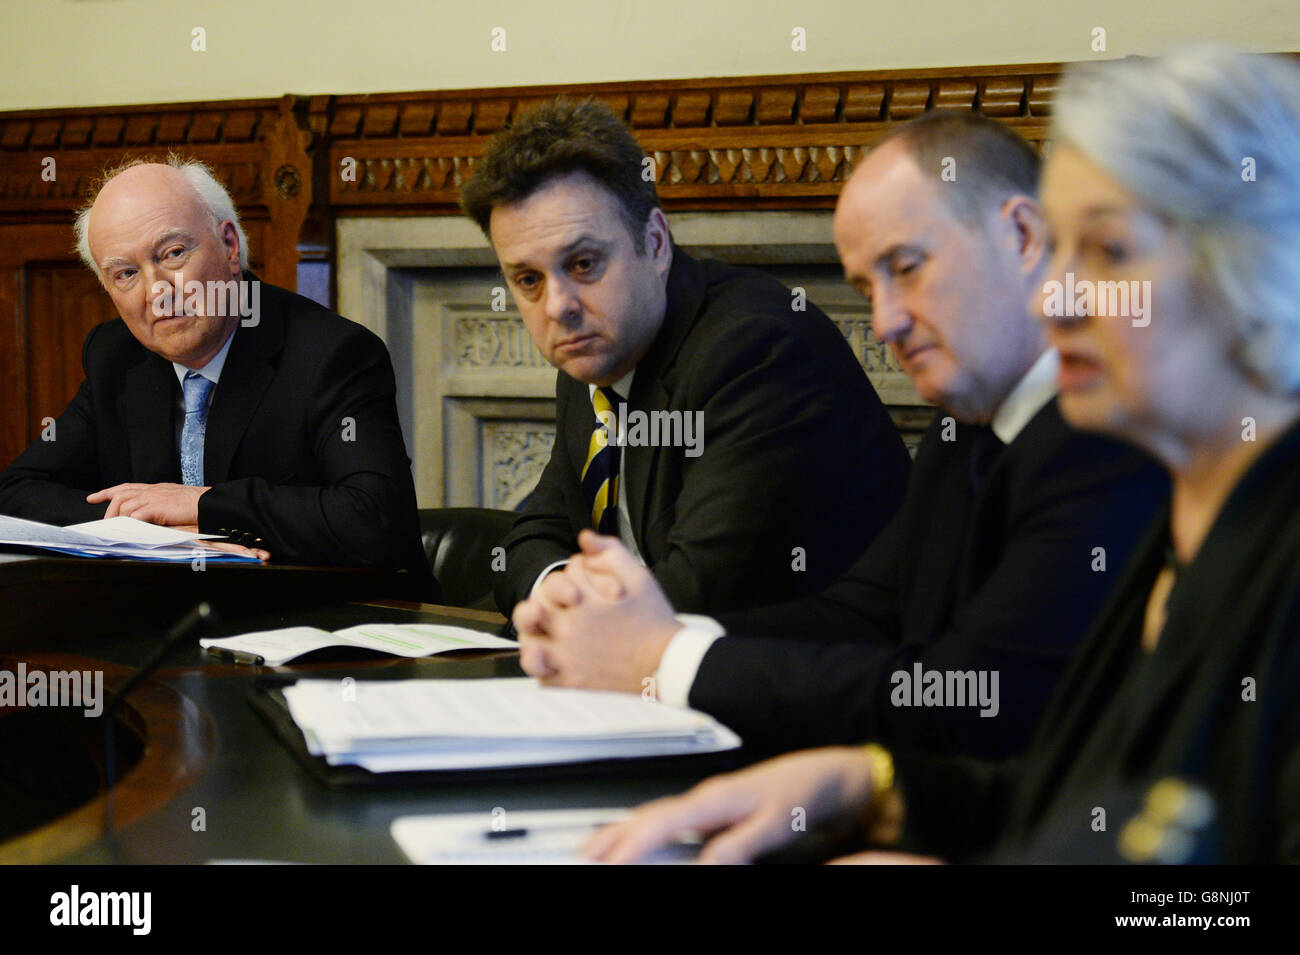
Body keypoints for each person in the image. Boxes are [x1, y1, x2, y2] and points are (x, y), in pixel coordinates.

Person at [586, 46, 1300, 864]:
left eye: (1107, 253)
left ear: (1264, 263)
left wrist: (664, 657)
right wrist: (869, 785)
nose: (1055, 296)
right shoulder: (1183, 519)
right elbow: (1067, 800)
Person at [514, 111, 1166, 759]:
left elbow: (976, 699)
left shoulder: (1103, 439)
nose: (884, 323)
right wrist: (640, 641)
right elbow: (864, 614)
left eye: (906, 268)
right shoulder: (966, 426)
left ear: (1023, 236)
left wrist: (666, 658)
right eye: (866, 286)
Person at [458, 97, 911, 618]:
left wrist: (571, 619)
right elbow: (536, 534)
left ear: (653, 243)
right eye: (528, 280)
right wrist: (554, 587)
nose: (558, 306)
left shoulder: (755, 353)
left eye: (583, 264)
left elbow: (700, 593)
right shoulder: (594, 353)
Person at [0, 158, 434, 593]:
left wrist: (202, 505)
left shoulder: (330, 354)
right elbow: (16, 492)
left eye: (172, 254)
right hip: (181, 624)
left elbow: (375, 519)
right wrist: (150, 532)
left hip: (337, 624)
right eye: (126, 274)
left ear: (229, 246)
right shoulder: (117, 356)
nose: (157, 292)